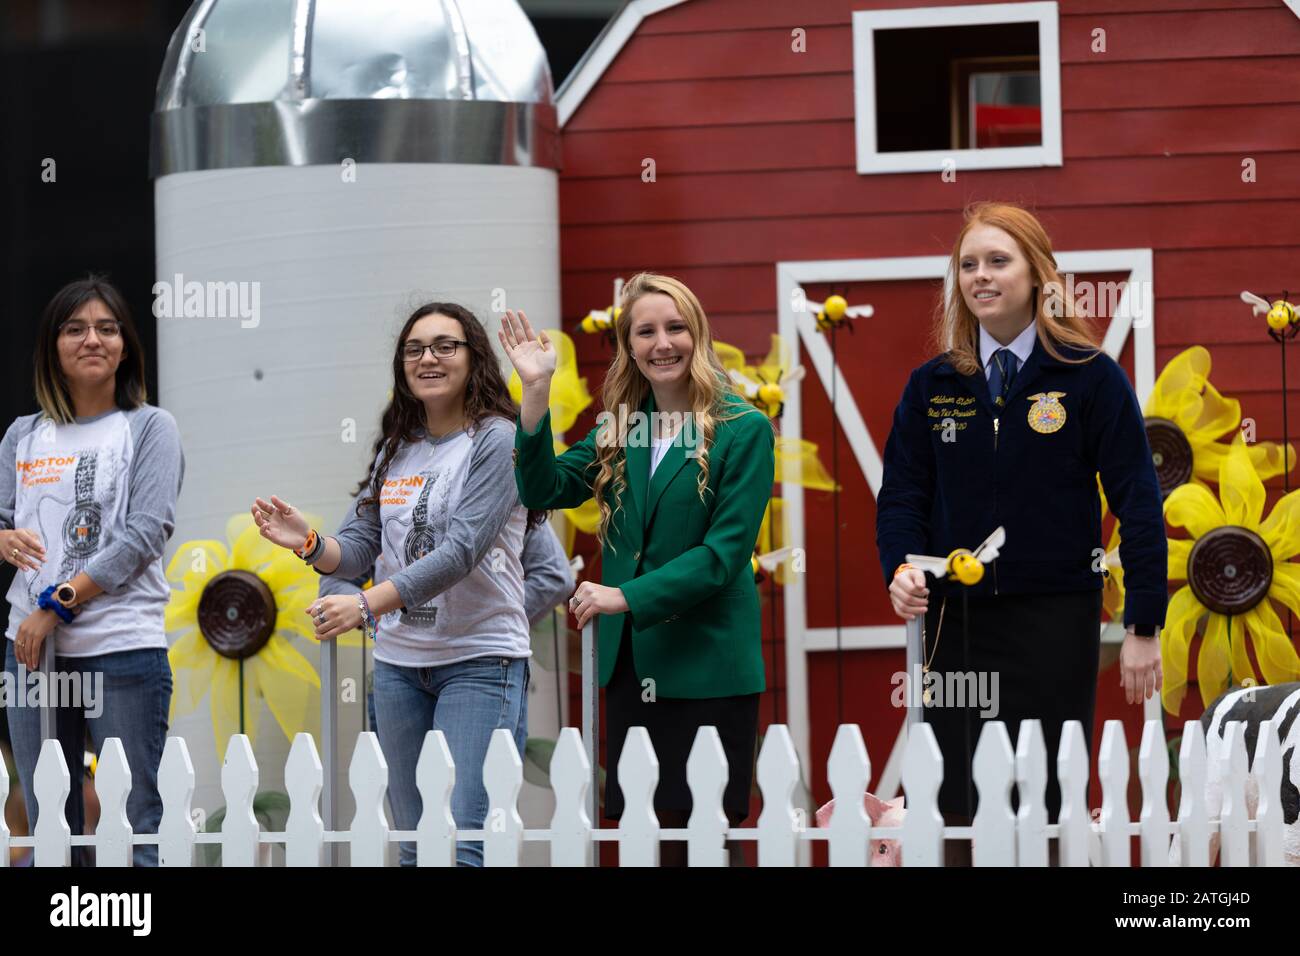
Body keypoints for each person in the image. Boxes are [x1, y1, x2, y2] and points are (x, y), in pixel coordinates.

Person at [876, 202, 1166, 860]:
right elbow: (902, 496)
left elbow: (1138, 502)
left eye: (998, 261)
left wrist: (1144, 625)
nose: (980, 275)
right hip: (957, 621)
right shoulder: (933, 385)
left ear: (1039, 275)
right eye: (968, 264)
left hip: (1055, 618)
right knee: (955, 798)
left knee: (1047, 795)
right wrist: (900, 567)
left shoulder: (1090, 378)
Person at [501, 273, 775, 866]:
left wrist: (623, 596)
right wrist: (537, 392)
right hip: (635, 668)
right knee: (642, 836)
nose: (662, 343)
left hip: (708, 667)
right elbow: (541, 486)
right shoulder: (618, 427)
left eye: (675, 328)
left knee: (704, 837)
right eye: (645, 332)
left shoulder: (743, 430)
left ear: (697, 336)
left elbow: (723, 556)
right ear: (628, 346)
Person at [250, 301, 530, 867]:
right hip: (402, 665)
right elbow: (357, 549)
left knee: (463, 845)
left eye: (445, 346)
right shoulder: (396, 448)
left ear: (473, 358)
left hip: (480, 658)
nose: (428, 357)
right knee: (413, 847)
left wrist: (365, 604)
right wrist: (308, 543)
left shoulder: (497, 439)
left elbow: (461, 552)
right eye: (414, 348)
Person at [0, 276, 183, 866]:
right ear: (53, 346)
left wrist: (55, 606)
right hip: (29, 650)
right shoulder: (22, 435)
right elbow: (3, 520)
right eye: (75, 329)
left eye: (107, 328)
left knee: (132, 823)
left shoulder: (150, 427)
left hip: (121, 647)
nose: (92, 340)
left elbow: (144, 534)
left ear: (126, 345)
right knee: (51, 819)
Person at [317, 513, 574, 733]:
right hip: (397, 667)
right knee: (406, 790)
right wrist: (373, 611)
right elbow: (336, 579)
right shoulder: (387, 476)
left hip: (476, 665)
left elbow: (553, 575)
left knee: (476, 788)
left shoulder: (493, 471)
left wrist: (484, 618)